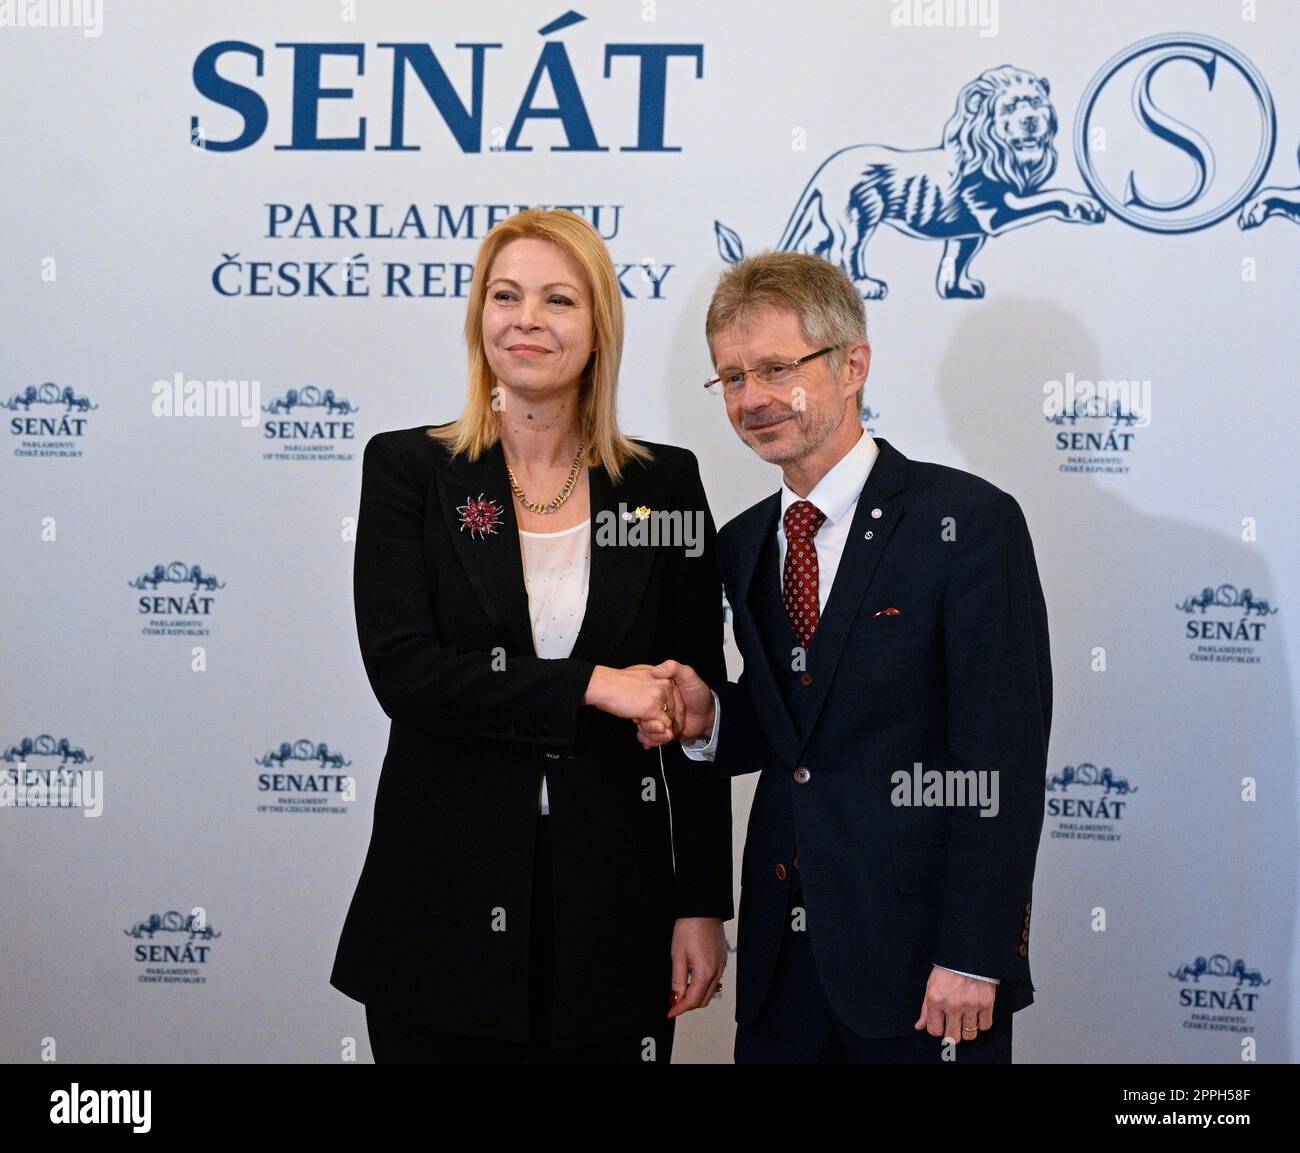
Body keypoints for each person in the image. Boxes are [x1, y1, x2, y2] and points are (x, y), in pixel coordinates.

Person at [330, 209, 731, 1063]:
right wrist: (591, 683)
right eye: (504, 295)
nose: (527, 319)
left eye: (559, 299)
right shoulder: (411, 471)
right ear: (479, 317)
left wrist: (701, 901)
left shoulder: (663, 485)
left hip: (617, 908)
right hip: (439, 905)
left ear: (599, 329)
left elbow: (693, 707)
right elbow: (407, 675)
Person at [637, 251, 1051, 1063]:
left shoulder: (967, 521)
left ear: (852, 363)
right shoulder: (745, 542)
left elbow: (999, 757)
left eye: (775, 368)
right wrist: (710, 717)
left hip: (929, 974)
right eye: (731, 378)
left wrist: (975, 952)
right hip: (780, 969)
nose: (752, 398)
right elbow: (798, 731)